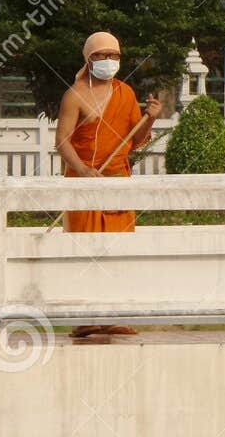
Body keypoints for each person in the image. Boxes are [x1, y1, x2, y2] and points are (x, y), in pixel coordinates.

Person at [56, 31, 161, 339]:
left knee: (118, 248)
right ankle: (85, 317)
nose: (109, 61)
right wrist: (82, 169)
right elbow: (62, 142)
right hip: (83, 180)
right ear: (89, 60)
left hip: (117, 178)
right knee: (85, 249)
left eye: (114, 56)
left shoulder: (125, 93)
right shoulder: (74, 95)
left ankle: (115, 313)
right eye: (102, 56)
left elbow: (136, 140)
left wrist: (151, 118)